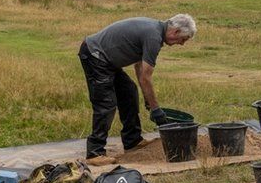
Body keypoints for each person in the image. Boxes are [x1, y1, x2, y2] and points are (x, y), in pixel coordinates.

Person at [78, 14, 197, 160]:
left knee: (129, 92)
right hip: (95, 56)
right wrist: (156, 110)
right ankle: (95, 152)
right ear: (175, 32)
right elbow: (146, 77)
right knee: (106, 103)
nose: (182, 44)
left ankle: (132, 141)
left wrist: (148, 99)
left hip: (107, 61)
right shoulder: (154, 37)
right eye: (183, 39)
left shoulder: (155, 31)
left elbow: (139, 67)